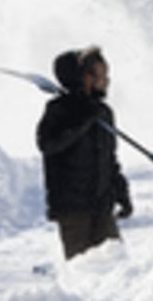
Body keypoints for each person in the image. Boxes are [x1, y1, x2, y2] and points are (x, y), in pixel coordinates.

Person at [36, 46, 133, 260]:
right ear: (84, 78)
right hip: (73, 209)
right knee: (83, 269)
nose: (106, 81)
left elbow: (109, 159)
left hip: (102, 205)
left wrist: (121, 193)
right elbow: (48, 145)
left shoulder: (103, 112)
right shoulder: (58, 110)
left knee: (114, 265)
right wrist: (83, 121)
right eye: (101, 75)